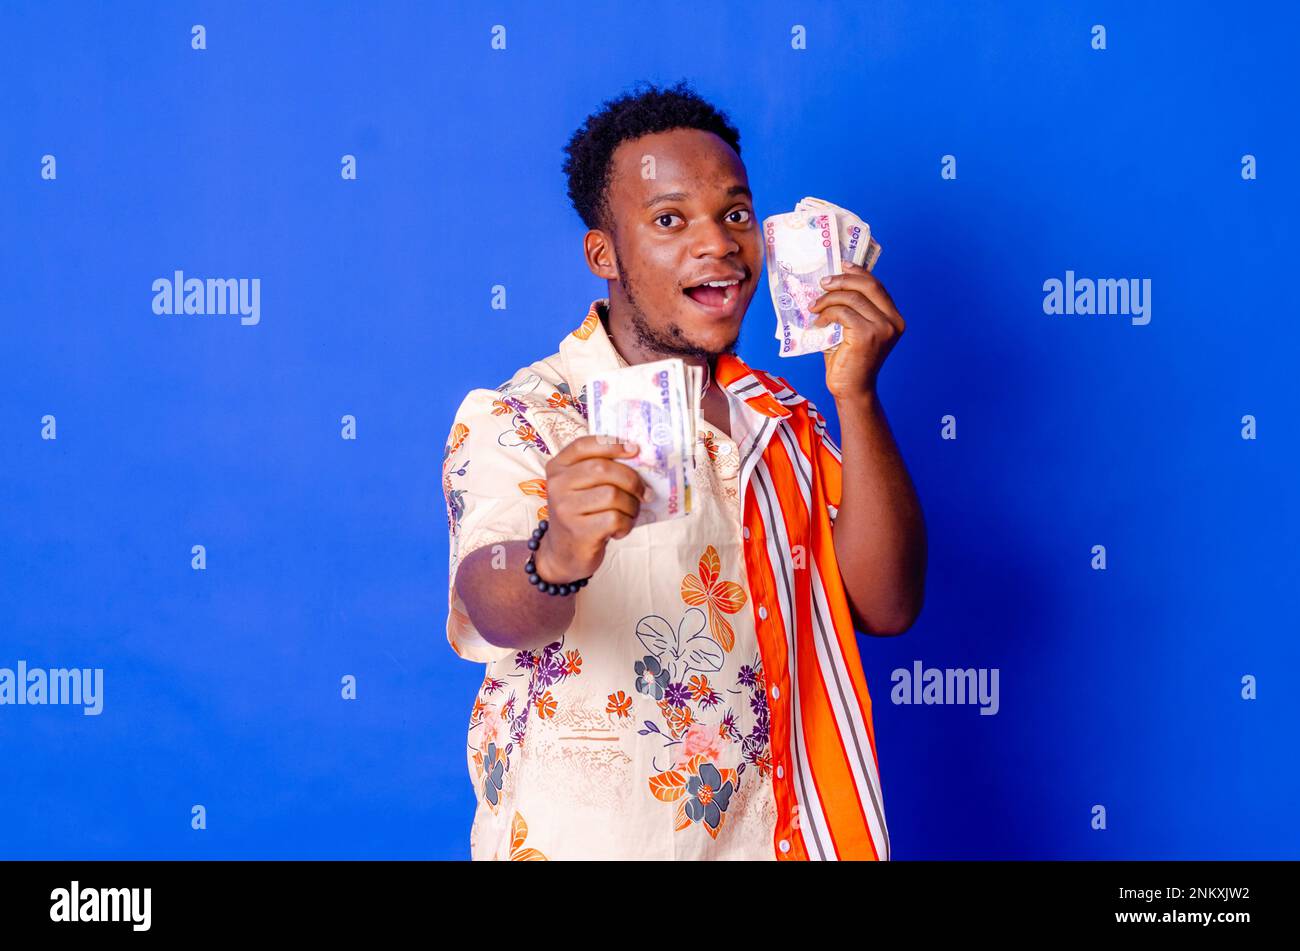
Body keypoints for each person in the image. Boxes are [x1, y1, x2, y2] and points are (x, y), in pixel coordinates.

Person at [441, 80, 926, 860]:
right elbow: (491, 606)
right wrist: (558, 553)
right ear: (604, 252)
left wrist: (856, 395)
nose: (719, 243)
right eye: (670, 220)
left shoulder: (778, 416)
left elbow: (887, 603)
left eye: (734, 214)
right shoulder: (525, 415)